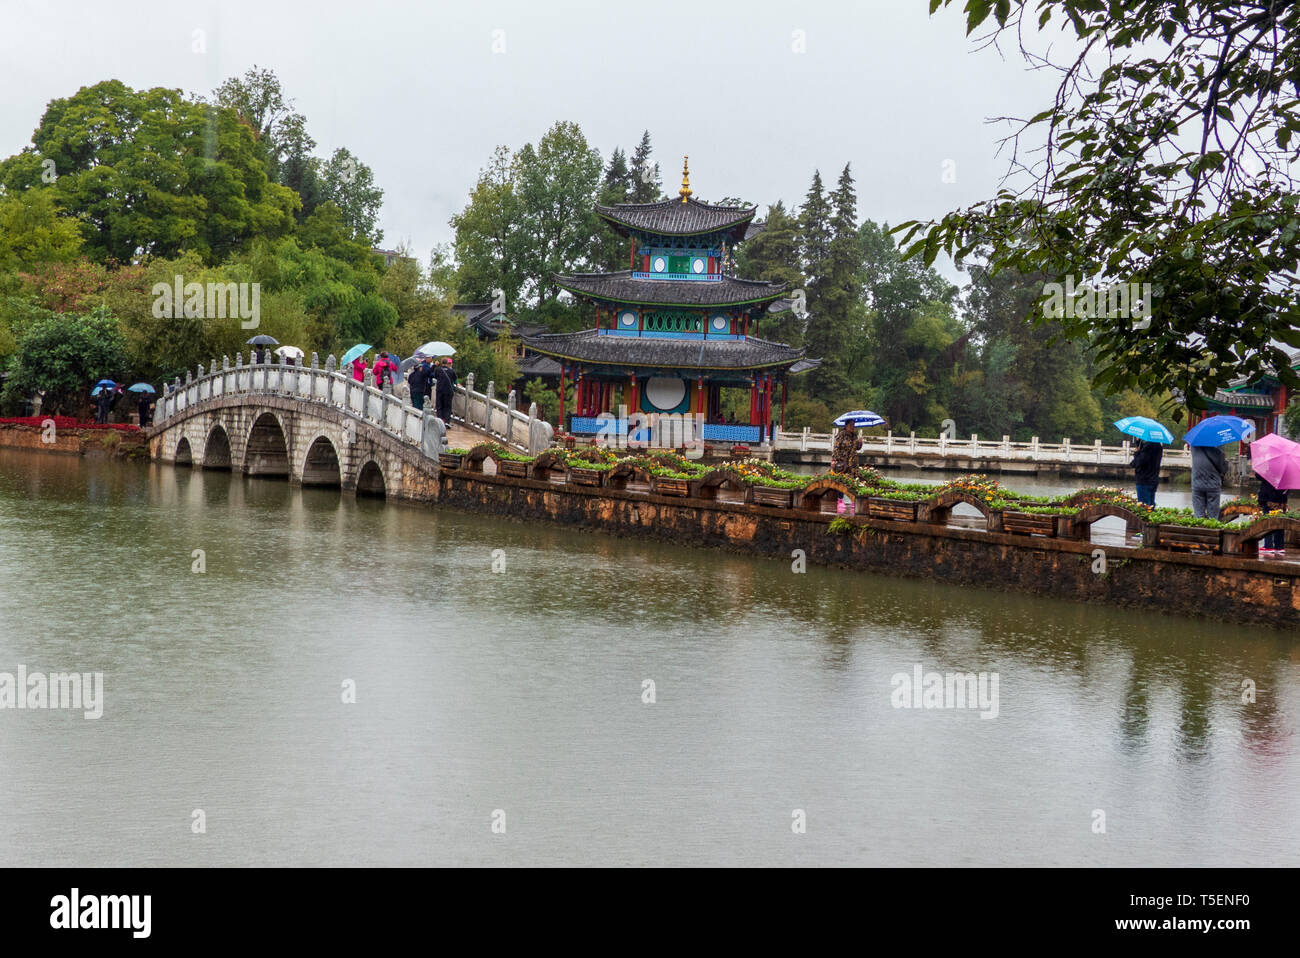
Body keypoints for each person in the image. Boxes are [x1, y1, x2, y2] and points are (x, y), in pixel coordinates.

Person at [1246, 440, 1288, 554]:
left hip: (1268, 498)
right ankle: (1280, 547)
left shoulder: (1270, 463)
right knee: (1280, 522)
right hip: (1282, 499)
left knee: (1268, 522)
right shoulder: (1287, 467)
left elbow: (1259, 476)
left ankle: (1268, 545)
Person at [1190, 443, 1229, 519]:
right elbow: (1224, 469)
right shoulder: (1218, 452)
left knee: (1198, 516)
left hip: (1197, 485)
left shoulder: (1194, 448)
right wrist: (1225, 459)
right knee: (1213, 517)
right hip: (1213, 486)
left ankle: (1199, 529)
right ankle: (1211, 529)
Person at [1130, 439, 1163, 506]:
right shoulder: (1158, 445)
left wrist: (1136, 453)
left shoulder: (1148, 446)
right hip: (1153, 479)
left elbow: (1138, 463)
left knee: (1143, 506)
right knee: (1150, 506)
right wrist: (1138, 443)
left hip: (1144, 480)